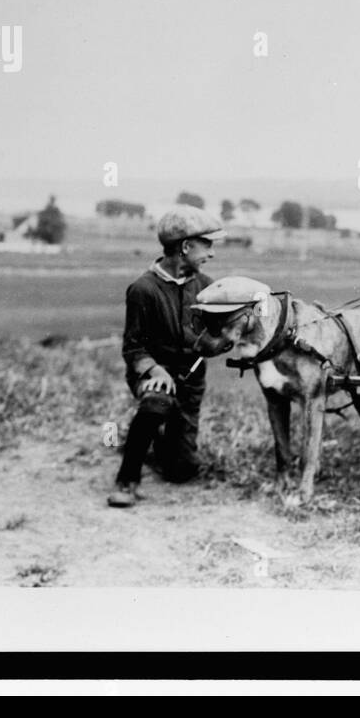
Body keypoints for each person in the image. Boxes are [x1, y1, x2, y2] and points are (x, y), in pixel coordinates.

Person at [107, 204, 226, 507]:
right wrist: (153, 371)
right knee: (156, 402)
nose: (211, 253)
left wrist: (222, 341)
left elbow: (212, 337)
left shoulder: (206, 286)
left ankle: (155, 444)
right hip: (154, 374)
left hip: (190, 380)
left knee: (181, 472)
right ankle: (127, 479)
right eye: (206, 245)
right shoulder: (143, 289)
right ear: (185, 247)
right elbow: (132, 347)